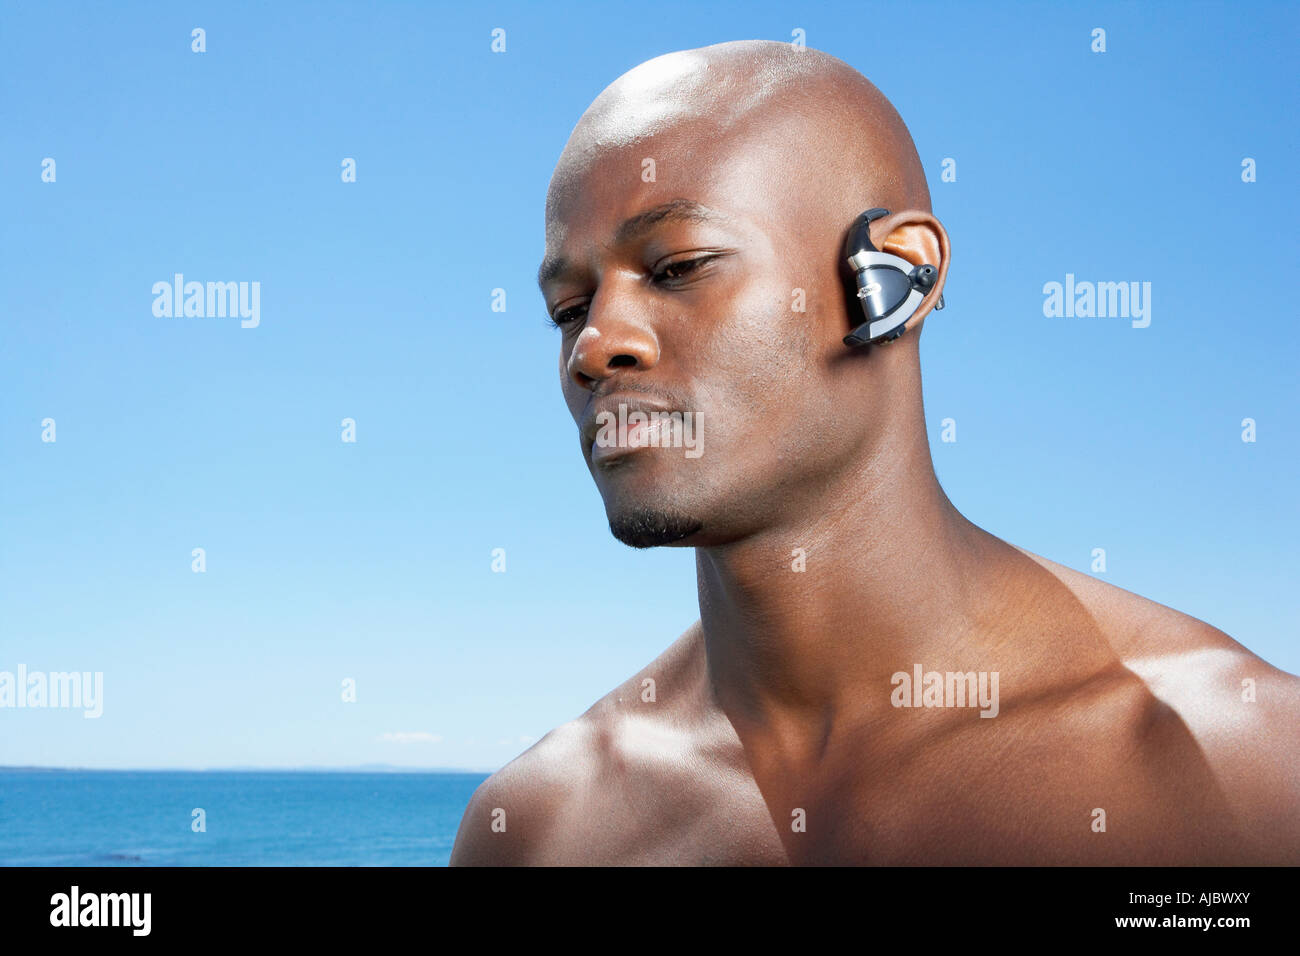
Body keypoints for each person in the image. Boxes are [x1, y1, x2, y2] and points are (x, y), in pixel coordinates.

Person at [451, 39, 1299, 865]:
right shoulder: (541, 829)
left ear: (893, 278)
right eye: (568, 307)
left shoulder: (1245, 774)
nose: (595, 344)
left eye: (678, 266)